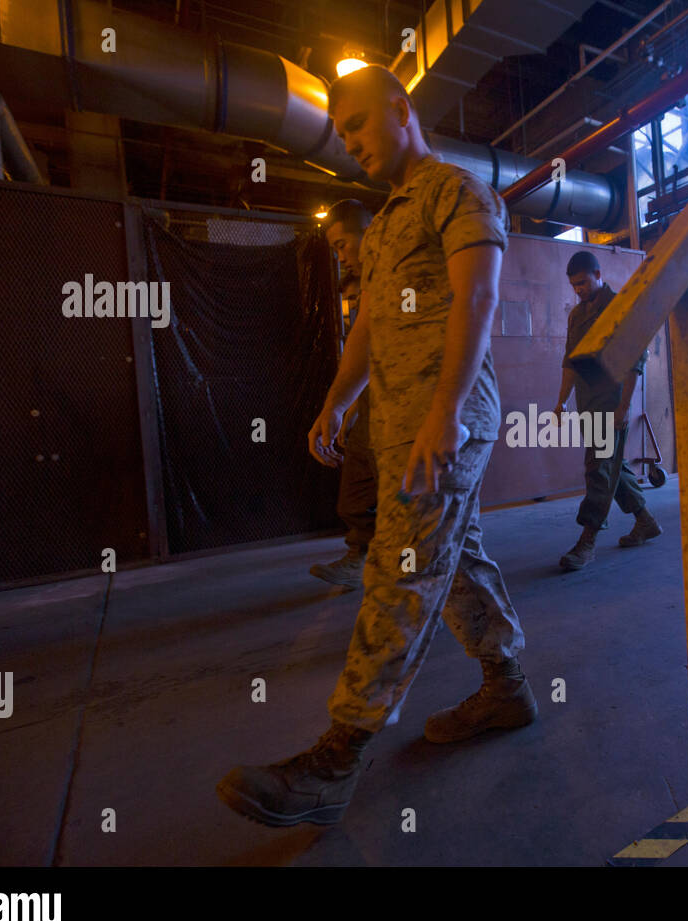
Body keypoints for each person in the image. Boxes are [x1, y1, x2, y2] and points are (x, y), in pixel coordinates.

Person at [218, 65, 535, 828]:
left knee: (399, 571)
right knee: (457, 561)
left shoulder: (454, 190)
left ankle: (337, 757)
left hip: (444, 423)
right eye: (342, 130)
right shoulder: (388, 220)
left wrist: (445, 414)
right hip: (400, 427)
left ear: (401, 111)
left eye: (358, 123)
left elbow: (479, 295)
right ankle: (506, 687)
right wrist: (336, 401)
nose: (349, 140)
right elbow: (365, 328)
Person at [553, 250, 661, 570]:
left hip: (612, 401)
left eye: (584, 282)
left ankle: (587, 540)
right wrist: (560, 402)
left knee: (598, 468)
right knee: (613, 465)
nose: (579, 290)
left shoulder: (619, 308)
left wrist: (623, 407)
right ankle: (645, 521)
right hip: (587, 402)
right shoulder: (576, 315)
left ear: (599, 275)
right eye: (574, 285)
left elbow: (634, 363)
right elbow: (570, 362)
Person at [309, 199, 377, 589]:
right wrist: (342, 405)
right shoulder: (370, 284)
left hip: (411, 412)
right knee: (355, 492)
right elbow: (361, 344)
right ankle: (361, 556)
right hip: (372, 406)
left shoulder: (402, 268)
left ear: (368, 231)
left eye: (341, 244)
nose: (340, 256)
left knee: (412, 513)